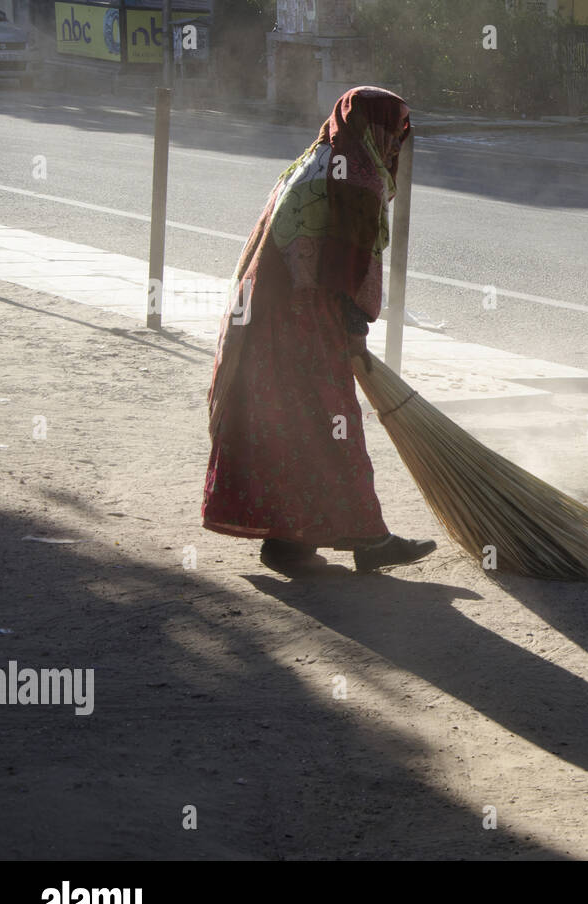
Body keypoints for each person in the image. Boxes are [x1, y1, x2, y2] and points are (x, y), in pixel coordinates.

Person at [202, 86, 435, 573]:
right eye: (393, 132)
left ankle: (288, 539)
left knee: (284, 417)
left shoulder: (320, 155)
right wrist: (354, 332)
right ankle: (369, 541)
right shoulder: (358, 175)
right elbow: (348, 263)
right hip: (301, 315)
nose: (396, 145)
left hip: (265, 307)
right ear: (373, 128)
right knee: (334, 420)